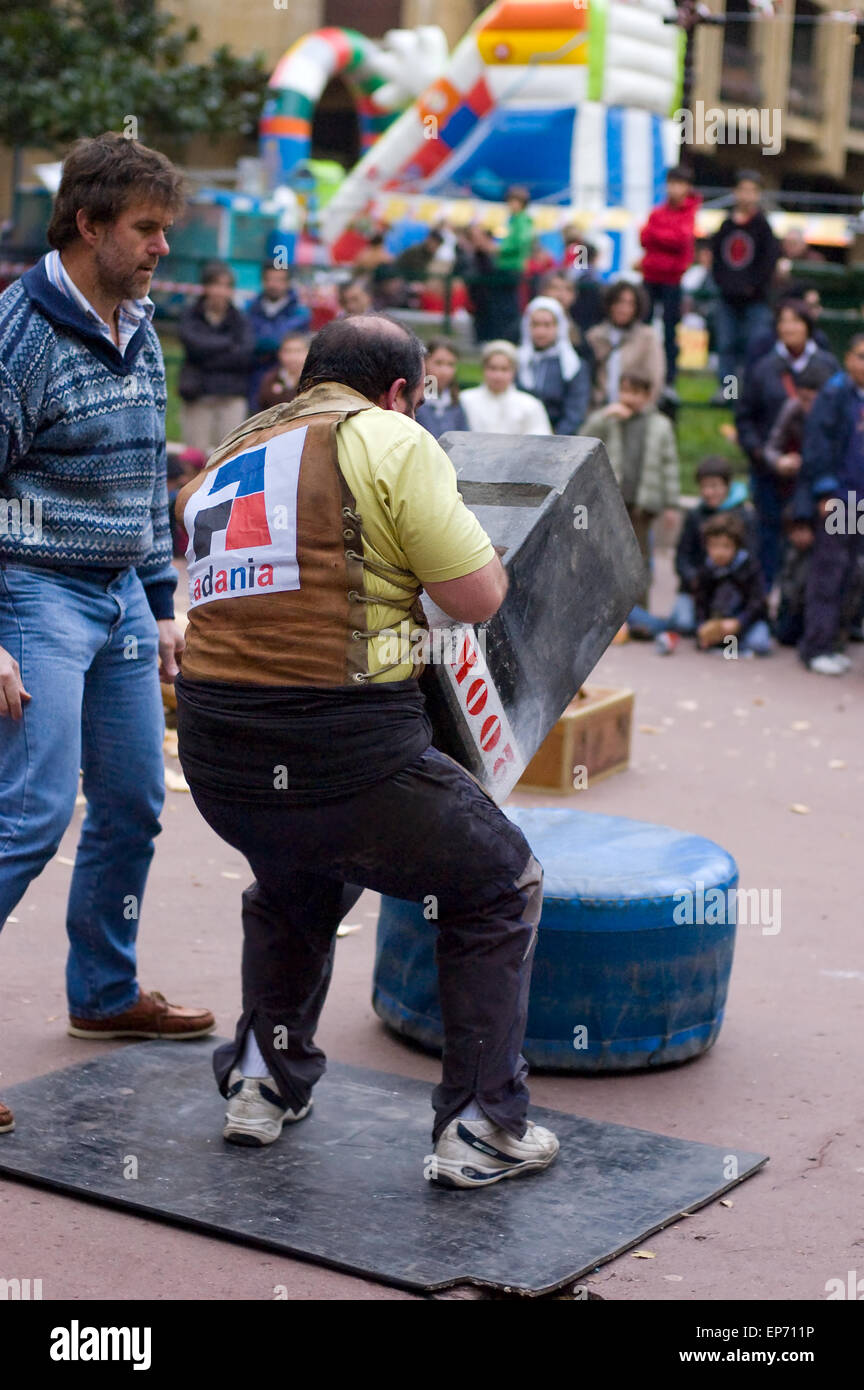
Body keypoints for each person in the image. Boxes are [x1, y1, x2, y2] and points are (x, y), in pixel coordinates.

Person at [173, 314, 558, 1188]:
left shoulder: (235, 444)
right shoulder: (392, 436)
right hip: (340, 746)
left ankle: (262, 1082)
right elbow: (475, 597)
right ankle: (482, 1126)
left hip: (215, 754)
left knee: (298, 874)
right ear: (399, 393)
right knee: (500, 879)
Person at [0, 133, 214, 1136]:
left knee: (132, 800)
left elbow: (144, 478)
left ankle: (102, 992)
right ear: (87, 223)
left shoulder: (140, 322)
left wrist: (162, 601)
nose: (161, 247)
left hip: (120, 588)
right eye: (145, 229)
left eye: (164, 229)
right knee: (33, 813)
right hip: (33, 589)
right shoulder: (18, 335)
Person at [735, 302, 838, 587]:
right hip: (770, 472)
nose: (789, 327)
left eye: (796, 321)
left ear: (808, 326)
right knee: (767, 539)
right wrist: (766, 456)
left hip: (815, 474)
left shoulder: (828, 366)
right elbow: (745, 419)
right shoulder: (762, 368)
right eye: (783, 321)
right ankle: (764, 601)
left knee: (812, 541)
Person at [794, 334, 864, 675]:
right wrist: (825, 493)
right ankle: (816, 646)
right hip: (841, 498)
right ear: (848, 358)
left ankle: (835, 642)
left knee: (852, 573)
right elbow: (818, 448)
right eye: (861, 357)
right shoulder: (835, 395)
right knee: (829, 573)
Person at [580, 372, 679, 608]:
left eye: (635, 393)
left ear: (647, 395)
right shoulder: (609, 420)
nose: (628, 398)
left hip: (642, 506)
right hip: (612, 502)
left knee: (639, 558)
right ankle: (606, 610)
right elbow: (582, 440)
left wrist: (671, 504)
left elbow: (670, 464)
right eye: (624, 391)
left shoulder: (660, 425)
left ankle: (639, 611)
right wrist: (604, 417)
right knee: (607, 556)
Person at [709, 170, 780, 397]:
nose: (747, 196)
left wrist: (753, 286)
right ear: (735, 192)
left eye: (752, 191)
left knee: (754, 347)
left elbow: (768, 262)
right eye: (743, 190)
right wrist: (723, 284)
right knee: (727, 345)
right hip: (727, 298)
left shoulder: (763, 227)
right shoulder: (726, 225)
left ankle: (750, 392)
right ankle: (728, 392)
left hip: (756, 301)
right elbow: (717, 260)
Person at [671, 457, 759, 635]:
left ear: (727, 485)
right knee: (684, 624)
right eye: (704, 487)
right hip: (698, 588)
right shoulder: (695, 516)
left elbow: (752, 561)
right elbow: (682, 557)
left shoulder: (745, 516)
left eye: (714, 486)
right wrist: (697, 580)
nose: (709, 492)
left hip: (734, 590)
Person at [178, 261, 255, 456]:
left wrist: (207, 353)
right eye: (216, 285)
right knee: (195, 458)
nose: (221, 291)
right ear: (206, 287)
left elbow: (244, 355)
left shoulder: (240, 319)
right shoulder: (190, 315)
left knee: (229, 457)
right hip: (198, 394)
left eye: (226, 286)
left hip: (231, 396)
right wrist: (228, 344)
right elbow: (193, 345)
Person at [637, 164, 701, 394]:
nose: (674, 188)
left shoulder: (689, 213)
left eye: (679, 183)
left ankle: (669, 378)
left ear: (687, 187)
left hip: (671, 279)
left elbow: (680, 240)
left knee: (670, 329)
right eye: (671, 183)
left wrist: (658, 236)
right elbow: (644, 237)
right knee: (642, 325)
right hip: (651, 276)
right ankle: (640, 371)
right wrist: (664, 238)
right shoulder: (658, 212)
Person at [694, 513, 772, 656]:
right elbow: (701, 602)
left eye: (726, 546)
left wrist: (739, 622)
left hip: (745, 622)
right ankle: (729, 646)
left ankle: (734, 645)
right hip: (717, 622)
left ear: (736, 547)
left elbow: (757, 602)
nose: (720, 552)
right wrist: (702, 625)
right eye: (714, 546)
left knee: (759, 643)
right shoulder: (706, 569)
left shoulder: (749, 566)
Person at [516, 295, 590, 435]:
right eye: (535, 325)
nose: (541, 332)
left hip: (560, 440)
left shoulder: (573, 365)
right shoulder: (518, 361)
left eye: (547, 325)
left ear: (559, 327)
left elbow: (575, 413)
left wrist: (552, 439)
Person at [586, 281, 665, 409]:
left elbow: (655, 378)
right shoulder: (595, 336)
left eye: (630, 304)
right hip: (600, 407)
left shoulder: (648, 338)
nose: (623, 309)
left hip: (635, 408)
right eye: (619, 302)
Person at [245, 262, 311, 412]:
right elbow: (246, 343)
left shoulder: (300, 312)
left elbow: (274, 340)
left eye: (279, 280)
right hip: (253, 380)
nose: (274, 284)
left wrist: (264, 342)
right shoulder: (250, 309)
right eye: (270, 279)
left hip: (292, 382)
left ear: (288, 283)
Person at [461, 340, 552, 435]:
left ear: (514, 371)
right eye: (493, 368)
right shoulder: (465, 401)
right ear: (483, 368)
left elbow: (540, 442)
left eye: (504, 369)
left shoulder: (530, 405)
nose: (498, 375)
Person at [773, 510, 814, 648]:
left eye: (802, 530)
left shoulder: (820, 555)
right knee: (784, 636)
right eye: (793, 532)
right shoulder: (789, 552)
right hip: (794, 607)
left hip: (812, 608)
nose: (798, 536)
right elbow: (785, 581)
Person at [416, 338, 469, 439]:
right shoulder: (413, 402)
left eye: (450, 364)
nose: (445, 371)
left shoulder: (455, 403)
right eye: (438, 363)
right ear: (424, 363)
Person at [256, 332, 309, 412]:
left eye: (298, 351)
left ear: (308, 353)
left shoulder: (313, 380)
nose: (293, 357)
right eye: (288, 351)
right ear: (280, 354)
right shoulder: (271, 379)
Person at [496, 186, 534, 275]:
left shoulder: (522, 220)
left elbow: (521, 242)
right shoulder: (513, 220)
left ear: (521, 203)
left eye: (512, 201)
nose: (509, 204)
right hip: (507, 264)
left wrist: (500, 249)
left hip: (515, 265)